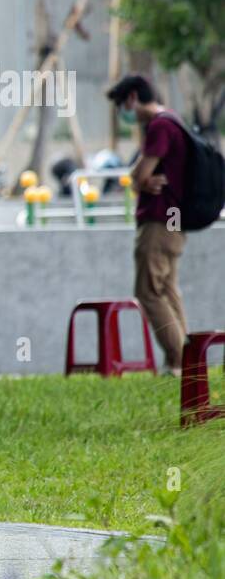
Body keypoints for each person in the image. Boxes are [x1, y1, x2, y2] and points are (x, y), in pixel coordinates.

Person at [109, 74, 189, 375]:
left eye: (121, 104)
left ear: (132, 98)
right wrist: (141, 179)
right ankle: (186, 361)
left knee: (148, 291)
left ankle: (178, 359)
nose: (123, 112)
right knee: (167, 288)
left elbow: (139, 176)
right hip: (174, 220)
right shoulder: (174, 119)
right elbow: (141, 179)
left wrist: (139, 179)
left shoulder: (160, 125)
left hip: (158, 220)